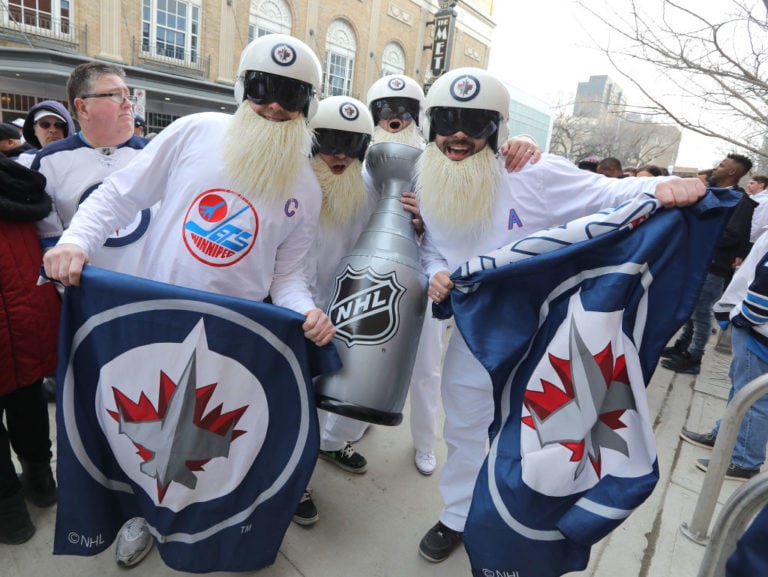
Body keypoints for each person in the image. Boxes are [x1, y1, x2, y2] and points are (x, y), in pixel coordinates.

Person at [42, 33, 334, 568]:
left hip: (230, 341)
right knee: (137, 427)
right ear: (243, 89)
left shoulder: (305, 188)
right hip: (153, 323)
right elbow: (120, 195)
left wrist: (307, 312)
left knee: (201, 444)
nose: (274, 106)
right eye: (263, 89)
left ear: (307, 105)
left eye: (291, 95)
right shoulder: (195, 131)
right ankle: (140, 515)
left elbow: (289, 277)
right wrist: (76, 241)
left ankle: (199, 526)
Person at [412, 66, 705, 563]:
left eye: (475, 122)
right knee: (463, 427)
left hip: (542, 334)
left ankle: (514, 519)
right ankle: (458, 514)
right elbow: (433, 246)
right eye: (447, 120)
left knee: (539, 436)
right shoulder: (427, 178)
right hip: (476, 333)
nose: (458, 134)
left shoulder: (535, 173)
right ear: (430, 125)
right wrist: (436, 271)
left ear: (497, 129)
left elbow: (609, 194)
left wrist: (667, 186)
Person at [364, 73, 541, 476]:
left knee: (427, 367)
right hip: (374, 271)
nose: (395, 118)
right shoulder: (361, 154)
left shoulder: (444, 158)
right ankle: (349, 425)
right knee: (365, 350)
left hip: (427, 277)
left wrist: (524, 142)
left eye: (405, 109)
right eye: (386, 109)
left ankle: (425, 443)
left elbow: (486, 186)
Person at [296, 95, 376, 526]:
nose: (340, 155)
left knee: (333, 390)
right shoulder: (287, 183)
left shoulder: (368, 194)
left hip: (343, 313)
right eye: (330, 142)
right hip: (290, 310)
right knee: (294, 400)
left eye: (352, 144)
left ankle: (329, 444)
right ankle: (294, 480)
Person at [33, 62, 151, 276]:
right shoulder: (49, 161)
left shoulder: (154, 153)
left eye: (127, 96)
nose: (127, 105)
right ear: (83, 107)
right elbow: (49, 239)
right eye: (115, 95)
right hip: (84, 290)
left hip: (151, 287)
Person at [0, 157, 60, 544]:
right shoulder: (16, 183)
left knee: (27, 401)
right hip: (28, 314)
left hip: (19, 313)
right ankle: (42, 485)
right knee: (28, 400)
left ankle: (10, 517)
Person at [679, 226, 768, 481]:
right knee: (741, 389)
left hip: (757, 329)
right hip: (755, 326)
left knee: (753, 398)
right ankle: (725, 436)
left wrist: (743, 318)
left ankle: (744, 460)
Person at [662, 154, 754, 375]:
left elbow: (733, 234)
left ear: (732, 172)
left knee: (701, 313)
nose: (715, 168)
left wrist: (697, 235)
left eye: (721, 165)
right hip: (700, 261)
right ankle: (683, 346)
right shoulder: (714, 192)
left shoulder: (739, 200)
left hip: (714, 265)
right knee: (692, 307)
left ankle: (694, 357)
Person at [15, 100, 75, 167]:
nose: (52, 130)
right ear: (34, 130)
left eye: (59, 125)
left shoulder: (80, 159)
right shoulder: (25, 162)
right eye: (44, 124)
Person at [746, 175, 768, 242]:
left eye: (752, 183)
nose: (748, 185)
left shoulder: (765, 201)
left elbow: (759, 223)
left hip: (752, 240)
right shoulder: (750, 198)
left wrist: (747, 238)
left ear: (761, 185)